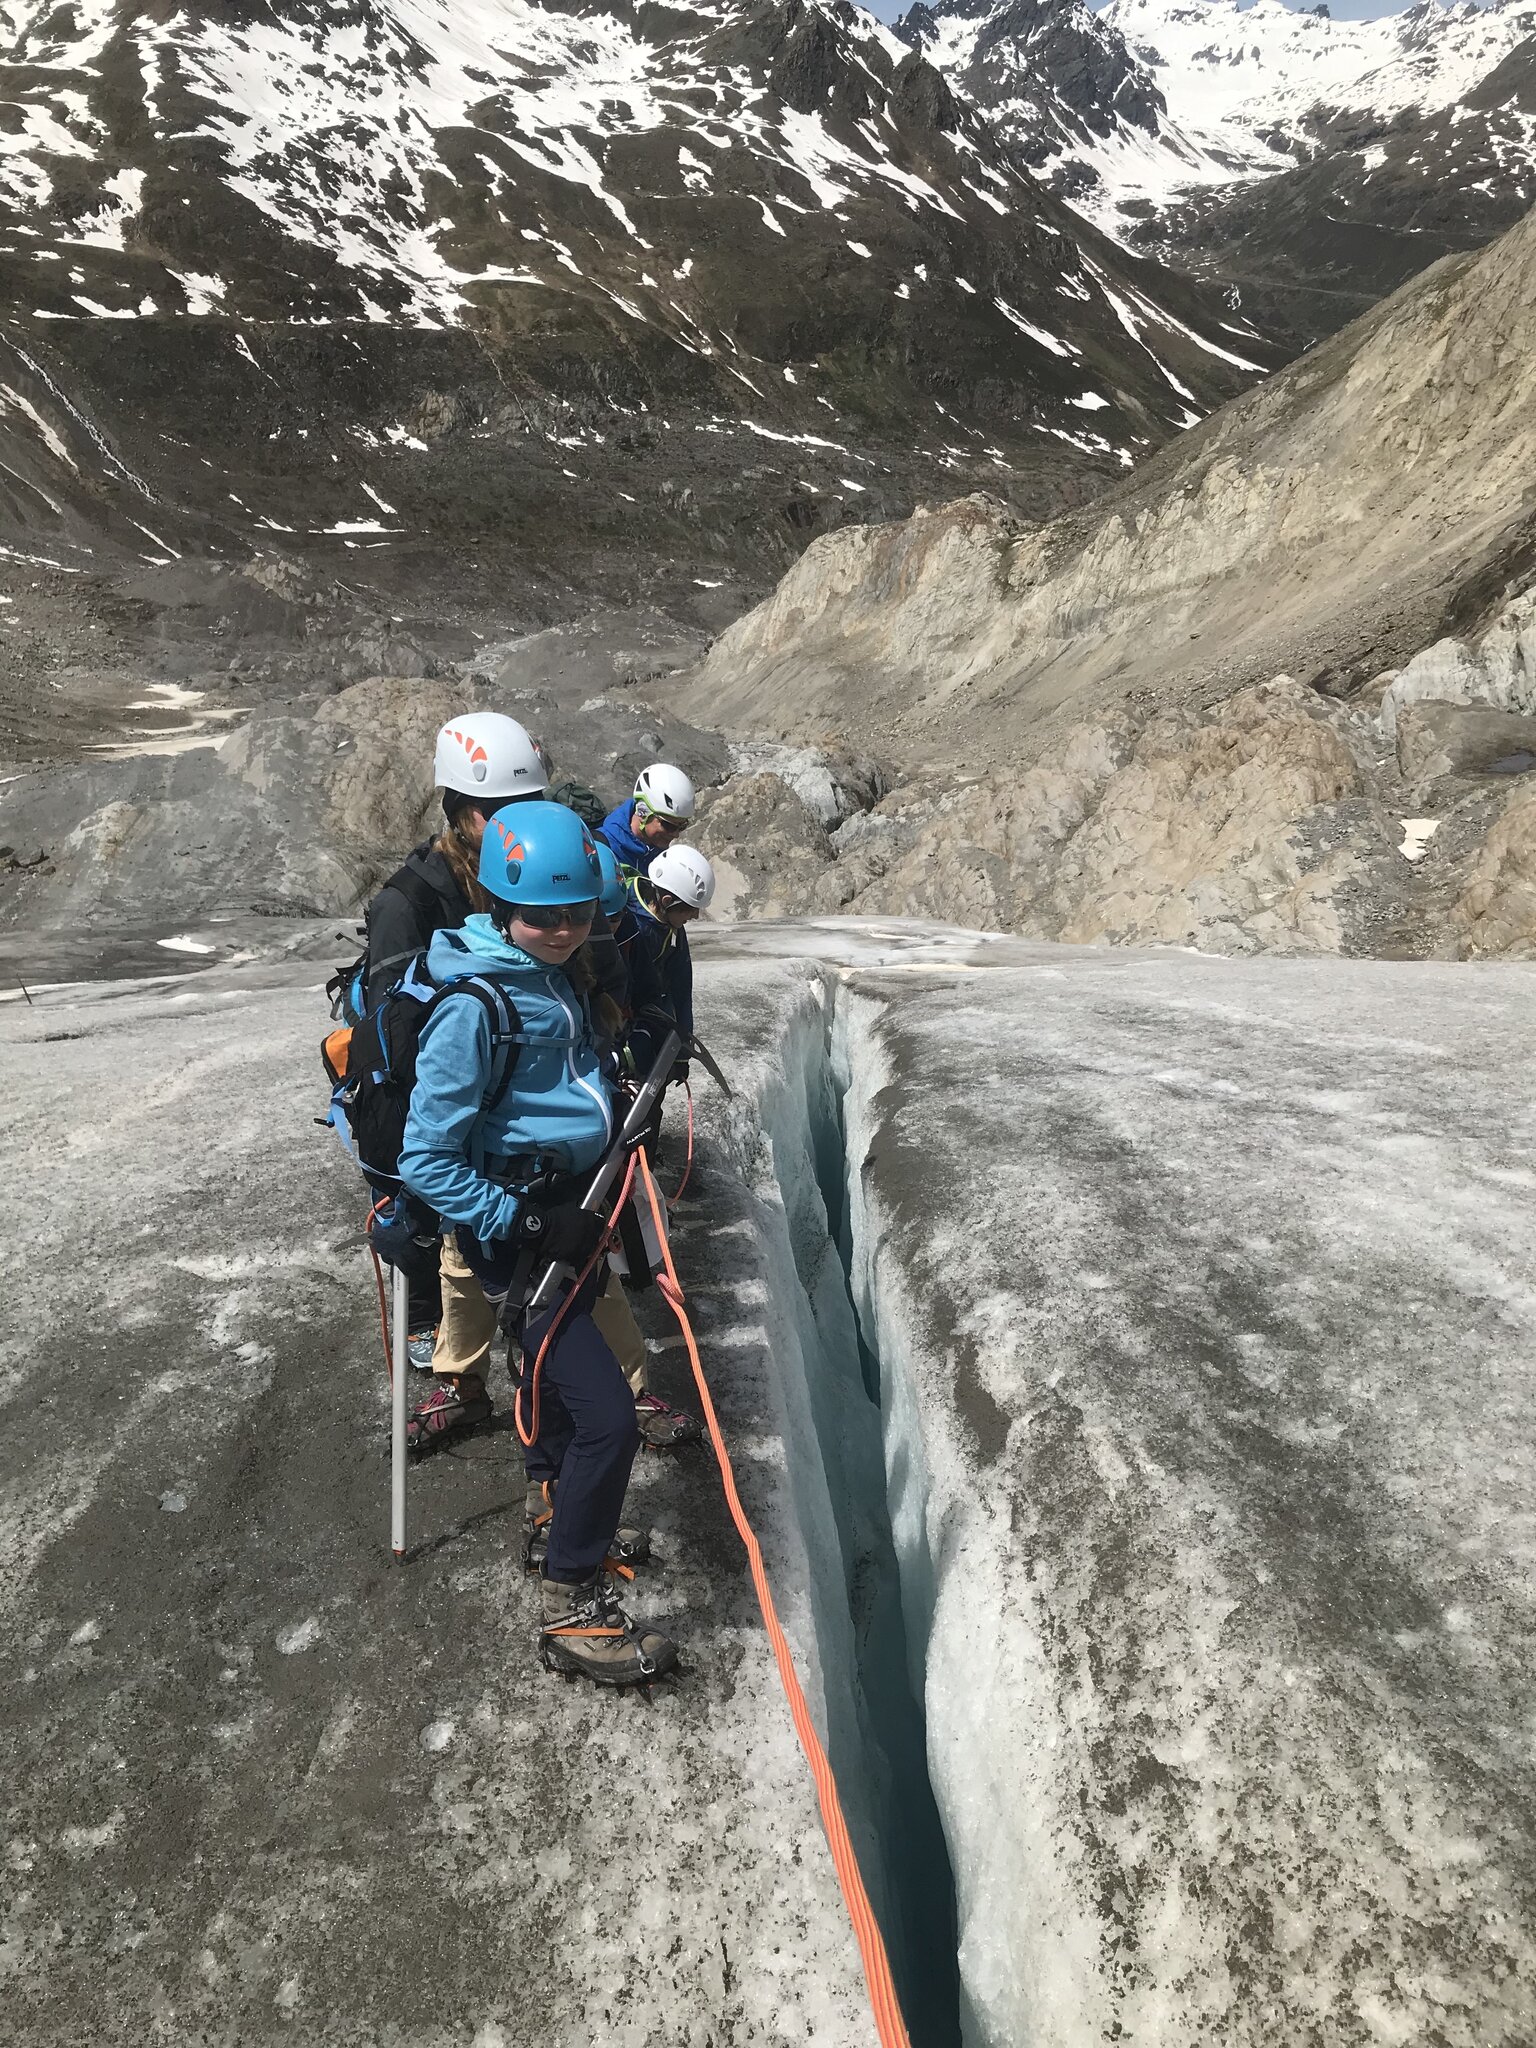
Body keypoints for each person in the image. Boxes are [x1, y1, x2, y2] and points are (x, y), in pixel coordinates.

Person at [398, 803, 678, 1685]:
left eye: (577, 912)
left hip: (569, 1219)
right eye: (541, 913)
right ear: (499, 903)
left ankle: (552, 1518)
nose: (562, 929)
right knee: (606, 1419)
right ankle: (573, 1598)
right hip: (528, 1239)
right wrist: (526, 1223)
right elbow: (424, 1162)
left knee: (558, 1395)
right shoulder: (476, 1006)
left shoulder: (544, 975)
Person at [362, 713, 549, 1365]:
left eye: (525, 808)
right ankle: (423, 1315)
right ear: (460, 811)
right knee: (428, 1204)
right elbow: (394, 1036)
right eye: (496, 811)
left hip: (504, 1085)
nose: (514, 824)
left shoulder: (523, 880)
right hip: (435, 1090)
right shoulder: (406, 905)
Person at [598, 763, 697, 881]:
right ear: (642, 812)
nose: (676, 834)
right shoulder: (602, 851)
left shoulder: (657, 851)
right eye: (669, 825)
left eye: (682, 826)